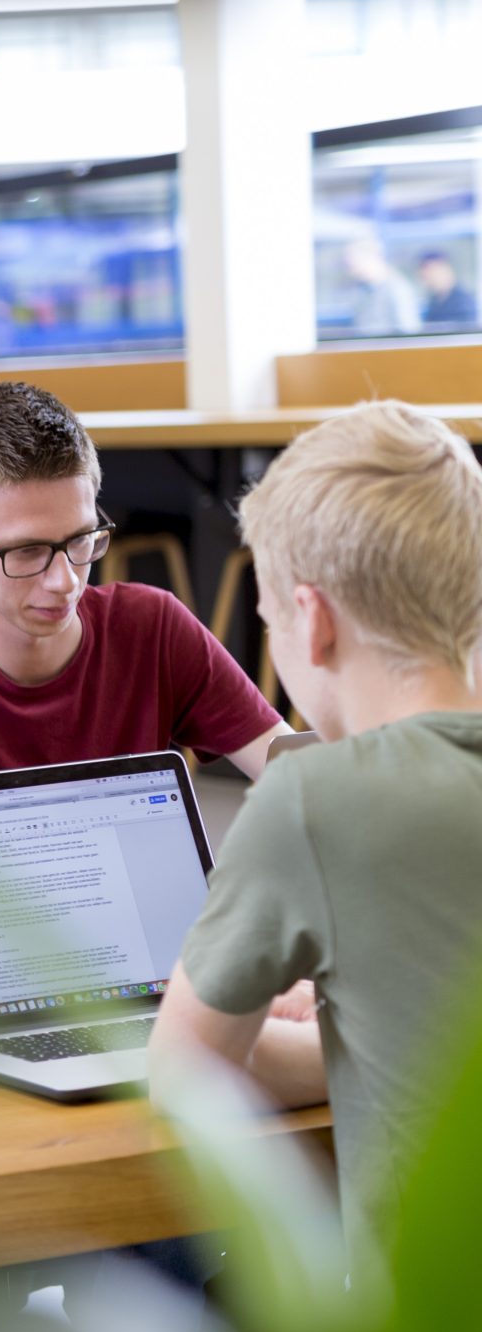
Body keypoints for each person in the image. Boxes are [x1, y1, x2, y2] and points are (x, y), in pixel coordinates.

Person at [153, 401, 482, 1254]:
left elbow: (185, 1068)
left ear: (315, 618)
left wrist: (333, 1031)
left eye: (267, 624)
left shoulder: (314, 802)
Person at [0, 382, 289, 781]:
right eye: (27, 551)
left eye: (82, 540)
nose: (64, 582)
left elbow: (295, 774)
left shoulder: (151, 626)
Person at [340, 236, 424, 336]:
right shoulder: (363, 289)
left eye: (352, 264)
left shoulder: (397, 289)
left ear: (370, 257)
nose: (349, 270)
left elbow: (408, 333)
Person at [418, 250, 476, 329]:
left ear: (445, 269)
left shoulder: (464, 302)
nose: (427, 280)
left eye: (431, 273)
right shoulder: (434, 301)